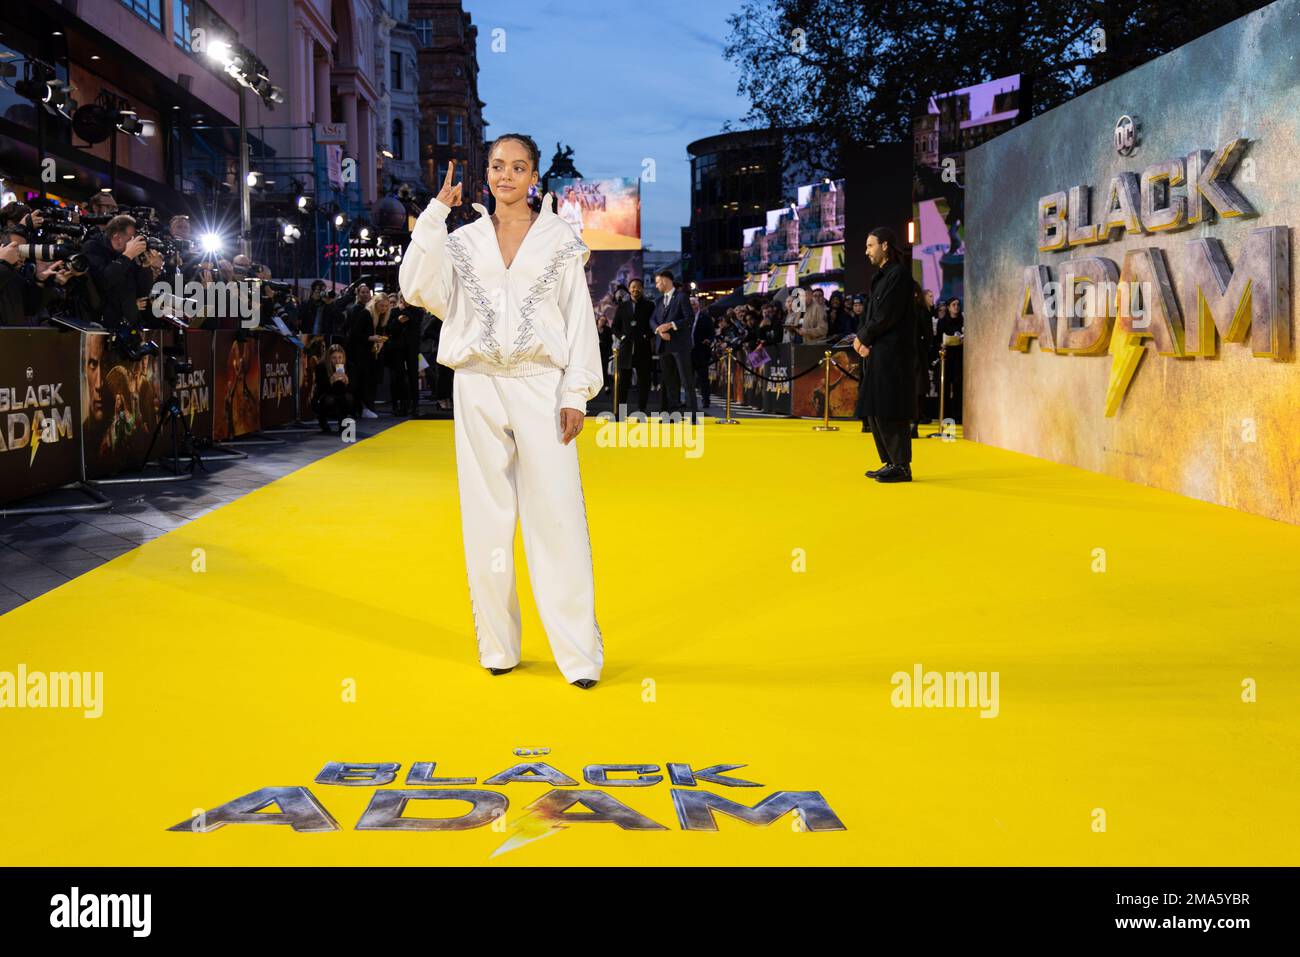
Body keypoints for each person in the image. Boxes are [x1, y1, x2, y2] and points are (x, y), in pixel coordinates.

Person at [398, 134, 604, 689]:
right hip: (477, 383)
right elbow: (415, 287)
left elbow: (578, 319)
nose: (505, 176)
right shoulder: (461, 240)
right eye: (496, 166)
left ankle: (578, 656)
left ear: (533, 175)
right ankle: (498, 646)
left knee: (557, 515)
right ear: (485, 173)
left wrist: (575, 393)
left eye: (517, 167)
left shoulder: (559, 239)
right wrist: (435, 214)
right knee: (485, 516)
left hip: (541, 384)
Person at [853, 226, 916, 483]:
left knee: (889, 407)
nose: (866, 251)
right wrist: (862, 340)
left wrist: (863, 338)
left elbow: (885, 315)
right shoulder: (880, 277)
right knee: (874, 407)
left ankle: (901, 465)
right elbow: (871, 314)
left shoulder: (898, 275)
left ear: (885, 246)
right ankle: (890, 461)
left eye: (870, 245)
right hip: (877, 351)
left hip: (892, 354)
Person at [650, 269, 697, 423]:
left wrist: (671, 325)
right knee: (670, 383)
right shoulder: (659, 300)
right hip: (664, 346)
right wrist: (659, 330)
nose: (656, 285)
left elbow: (689, 319)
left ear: (665, 281)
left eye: (658, 282)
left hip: (680, 346)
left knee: (686, 381)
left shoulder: (682, 297)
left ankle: (692, 415)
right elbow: (652, 320)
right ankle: (673, 415)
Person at [612, 276, 655, 415]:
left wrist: (647, 336)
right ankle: (620, 413)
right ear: (629, 289)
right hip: (626, 350)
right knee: (623, 383)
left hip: (643, 349)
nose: (635, 289)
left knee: (644, 383)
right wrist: (622, 337)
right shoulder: (622, 306)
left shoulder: (650, 306)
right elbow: (614, 326)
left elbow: (655, 324)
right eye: (633, 287)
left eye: (638, 287)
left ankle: (641, 410)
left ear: (642, 289)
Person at [936, 297, 965, 424]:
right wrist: (943, 343)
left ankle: (958, 415)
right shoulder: (943, 322)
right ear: (948, 307)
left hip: (959, 357)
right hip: (947, 357)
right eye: (953, 305)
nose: (956, 307)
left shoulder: (963, 320)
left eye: (958, 304)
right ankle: (946, 416)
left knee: (959, 387)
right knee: (945, 387)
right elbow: (938, 338)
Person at [313, 343, 354, 432]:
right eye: (334, 358)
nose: (337, 361)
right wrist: (330, 381)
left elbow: (354, 388)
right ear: (329, 358)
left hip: (342, 395)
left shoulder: (349, 366)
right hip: (325, 396)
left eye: (340, 357)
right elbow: (320, 388)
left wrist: (347, 382)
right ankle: (322, 420)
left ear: (343, 357)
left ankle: (343, 423)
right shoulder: (321, 367)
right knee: (330, 400)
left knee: (348, 398)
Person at [689, 296, 714, 409]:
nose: (692, 306)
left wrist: (709, 340)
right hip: (687, 352)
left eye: (694, 304)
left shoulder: (706, 318)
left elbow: (712, 333)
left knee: (703, 377)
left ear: (698, 305)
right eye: (690, 304)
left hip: (701, 351)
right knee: (688, 378)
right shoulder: (685, 317)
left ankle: (706, 400)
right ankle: (689, 400)